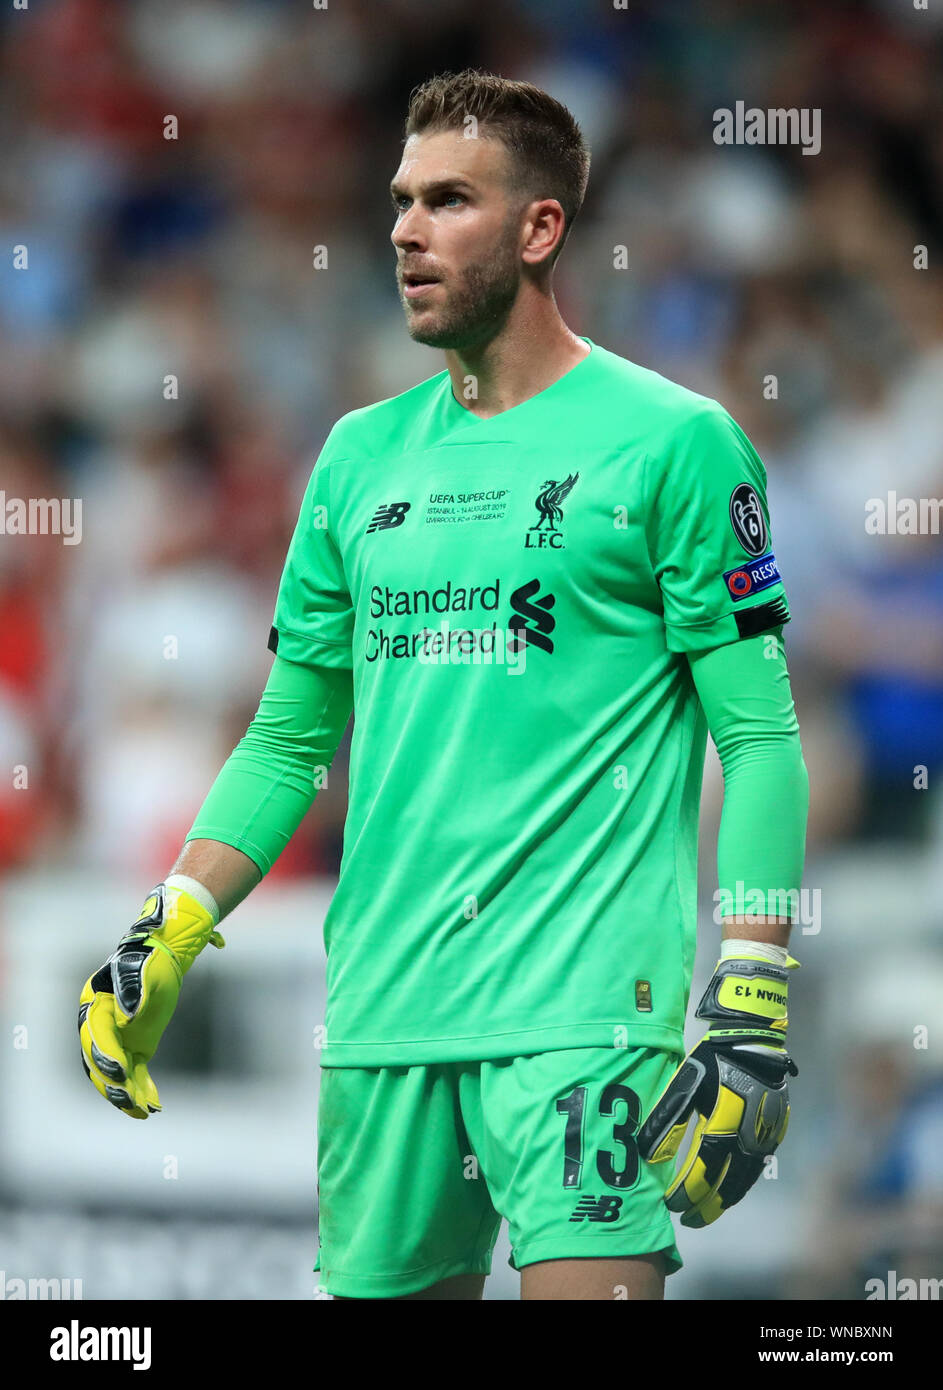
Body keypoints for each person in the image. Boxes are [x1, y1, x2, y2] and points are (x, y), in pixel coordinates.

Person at [79, 70, 809, 1302]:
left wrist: (750, 997)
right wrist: (174, 922)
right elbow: (289, 740)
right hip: (382, 1020)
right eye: (402, 201)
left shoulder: (675, 442)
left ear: (540, 229)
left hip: (584, 1021)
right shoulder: (358, 457)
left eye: (450, 201)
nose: (407, 230)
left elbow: (762, 736)